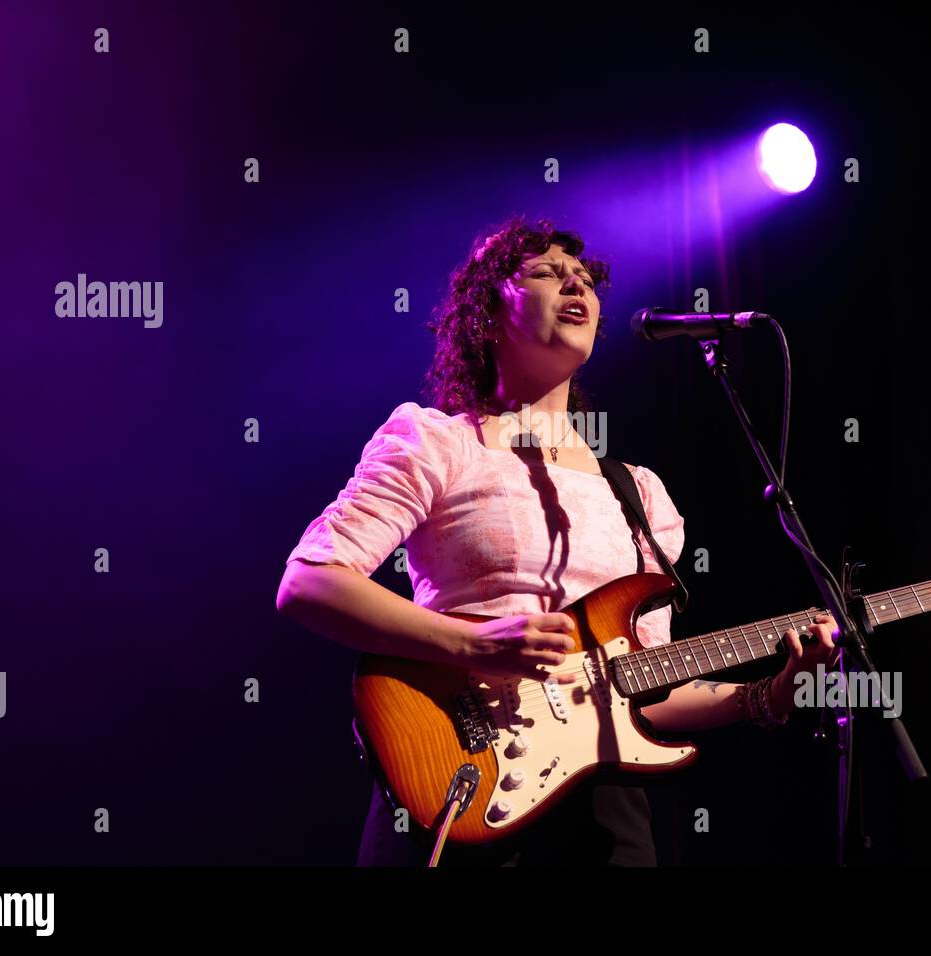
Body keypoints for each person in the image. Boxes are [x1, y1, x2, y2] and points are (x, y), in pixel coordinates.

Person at [275, 215, 839, 866]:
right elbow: (310, 581)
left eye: (585, 277)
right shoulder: (436, 442)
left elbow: (649, 687)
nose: (574, 280)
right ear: (487, 315)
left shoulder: (640, 493)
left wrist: (772, 692)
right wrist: (474, 640)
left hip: (603, 810)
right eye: (545, 272)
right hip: (459, 771)